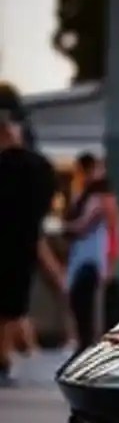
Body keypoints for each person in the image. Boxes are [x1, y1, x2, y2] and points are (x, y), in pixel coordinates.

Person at [0, 112, 56, 381]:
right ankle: (6, 358)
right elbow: (45, 204)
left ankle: (5, 358)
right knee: (12, 307)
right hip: (24, 244)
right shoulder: (40, 166)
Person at [62, 167, 112, 355]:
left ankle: (85, 343)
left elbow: (83, 224)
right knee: (83, 303)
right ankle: (84, 341)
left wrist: (65, 227)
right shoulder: (91, 199)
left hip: (88, 261)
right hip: (86, 259)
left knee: (83, 303)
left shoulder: (97, 200)